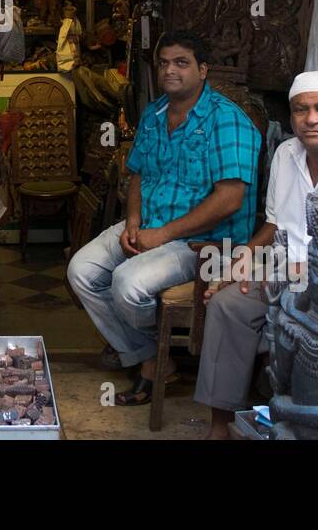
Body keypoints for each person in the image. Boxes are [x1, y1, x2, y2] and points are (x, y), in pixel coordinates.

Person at [67, 29, 260, 406]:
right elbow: (137, 173)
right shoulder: (155, 115)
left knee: (126, 283)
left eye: (181, 63)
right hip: (152, 225)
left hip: (205, 242)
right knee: (81, 271)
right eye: (164, 63)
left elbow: (230, 200)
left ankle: (151, 360)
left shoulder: (227, 121)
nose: (170, 70)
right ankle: (148, 355)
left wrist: (163, 234)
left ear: (203, 70)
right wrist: (134, 221)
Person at [195, 71, 318, 438]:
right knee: (228, 302)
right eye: (300, 110)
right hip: (282, 268)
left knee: (287, 298)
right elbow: (274, 225)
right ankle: (220, 423)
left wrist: (294, 271)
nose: (312, 119)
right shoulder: (286, 155)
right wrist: (242, 258)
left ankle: (287, 414)